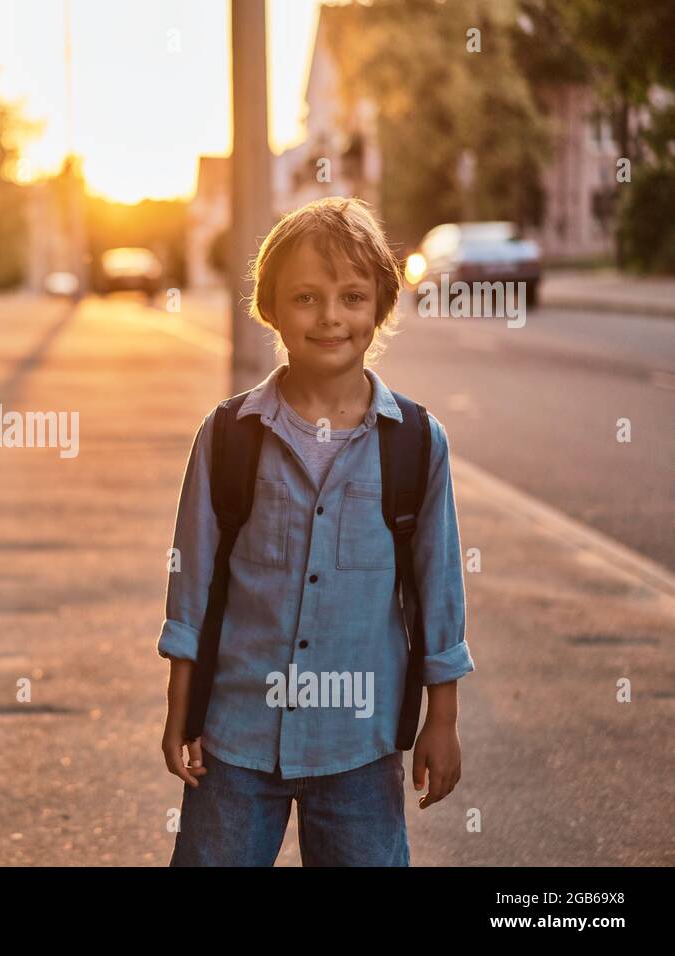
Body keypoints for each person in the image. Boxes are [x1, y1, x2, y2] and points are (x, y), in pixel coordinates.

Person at [158, 196, 474, 866]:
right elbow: (192, 586)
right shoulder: (229, 437)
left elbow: (440, 591)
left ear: (381, 307)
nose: (331, 317)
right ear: (270, 308)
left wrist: (441, 722)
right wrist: (180, 711)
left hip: (358, 747)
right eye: (305, 297)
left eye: (353, 297)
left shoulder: (415, 443)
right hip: (236, 739)